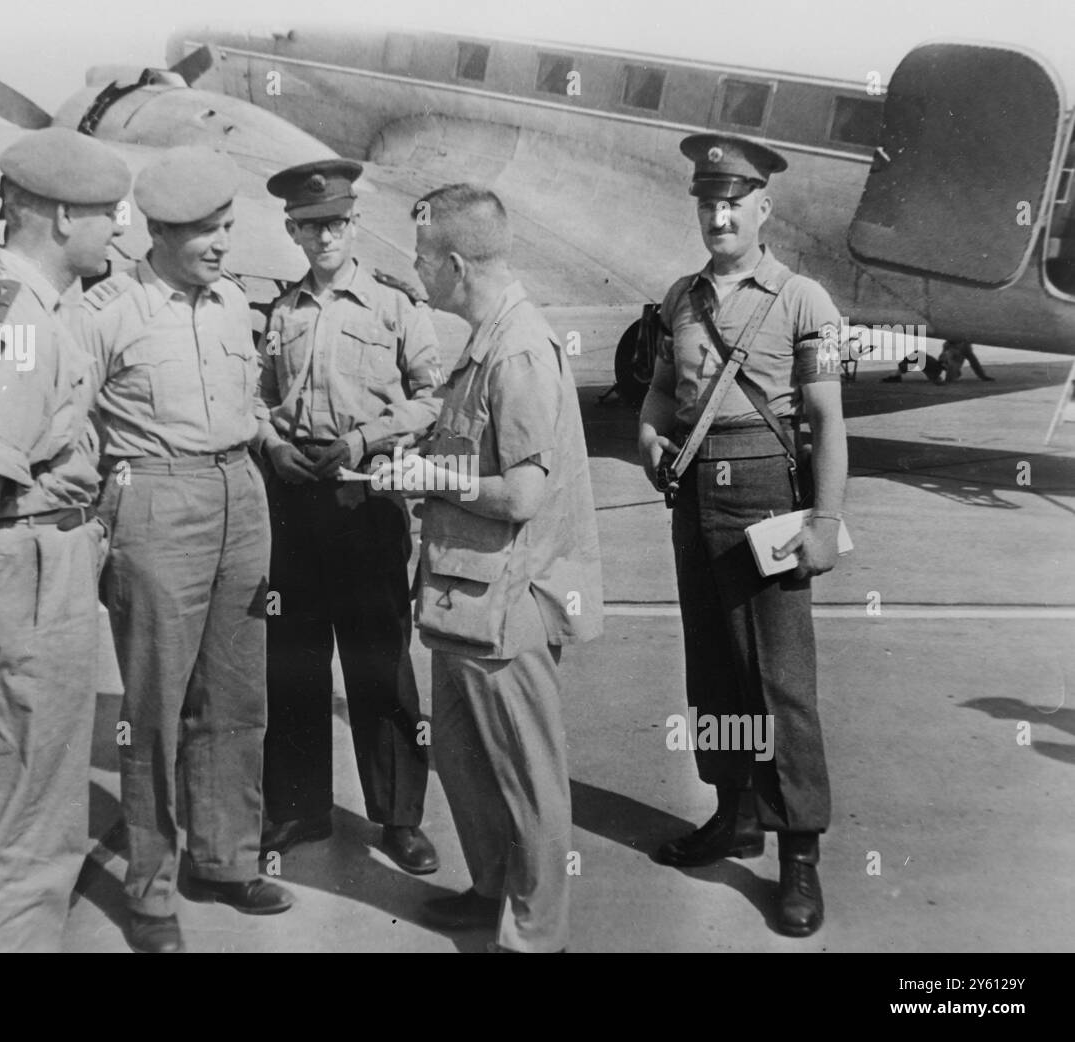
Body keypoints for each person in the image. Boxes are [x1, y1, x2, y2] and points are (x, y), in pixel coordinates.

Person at [72, 146, 293, 955]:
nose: (223, 244)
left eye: (227, 227)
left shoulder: (233, 303)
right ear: (161, 231)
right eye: (207, 230)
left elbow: (253, 401)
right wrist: (98, 521)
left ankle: (226, 859)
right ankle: (152, 891)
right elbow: (69, 425)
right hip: (156, 503)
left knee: (237, 698)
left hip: (242, 493)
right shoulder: (107, 313)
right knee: (155, 711)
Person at [0, 126, 130, 952]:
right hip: (24, 575)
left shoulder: (32, 302)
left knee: (33, 810)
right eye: (107, 215)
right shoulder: (20, 323)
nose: (119, 229)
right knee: (25, 838)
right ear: (57, 216)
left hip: (37, 568)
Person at [638, 133, 848, 938]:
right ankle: (735, 814)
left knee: (780, 679)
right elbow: (661, 390)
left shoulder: (804, 299)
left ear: (765, 207)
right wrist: (650, 437)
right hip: (692, 492)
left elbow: (826, 421)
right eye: (707, 201)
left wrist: (825, 522)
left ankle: (799, 854)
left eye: (734, 201)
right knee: (715, 666)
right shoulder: (680, 298)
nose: (719, 214)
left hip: (767, 493)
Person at [393, 183, 604, 953]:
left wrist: (427, 480)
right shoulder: (486, 340)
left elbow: (521, 494)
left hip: (504, 609)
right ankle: (490, 890)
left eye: (420, 258)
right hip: (463, 598)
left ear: (453, 263)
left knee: (525, 776)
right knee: (463, 757)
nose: (415, 271)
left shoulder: (518, 351)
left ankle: (537, 935)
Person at [256, 159, 443, 873]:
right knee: (294, 662)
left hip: (366, 498)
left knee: (380, 664)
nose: (324, 236)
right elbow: (260, 396)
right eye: (310, 225)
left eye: (335, 222)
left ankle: (399, 817)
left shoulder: (395, 306)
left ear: (353, 224)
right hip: (295, 503)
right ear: (293, 231)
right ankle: (300, 809)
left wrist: (366, 439)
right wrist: (274, 446)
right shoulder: (282, 313)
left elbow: (432, 396)